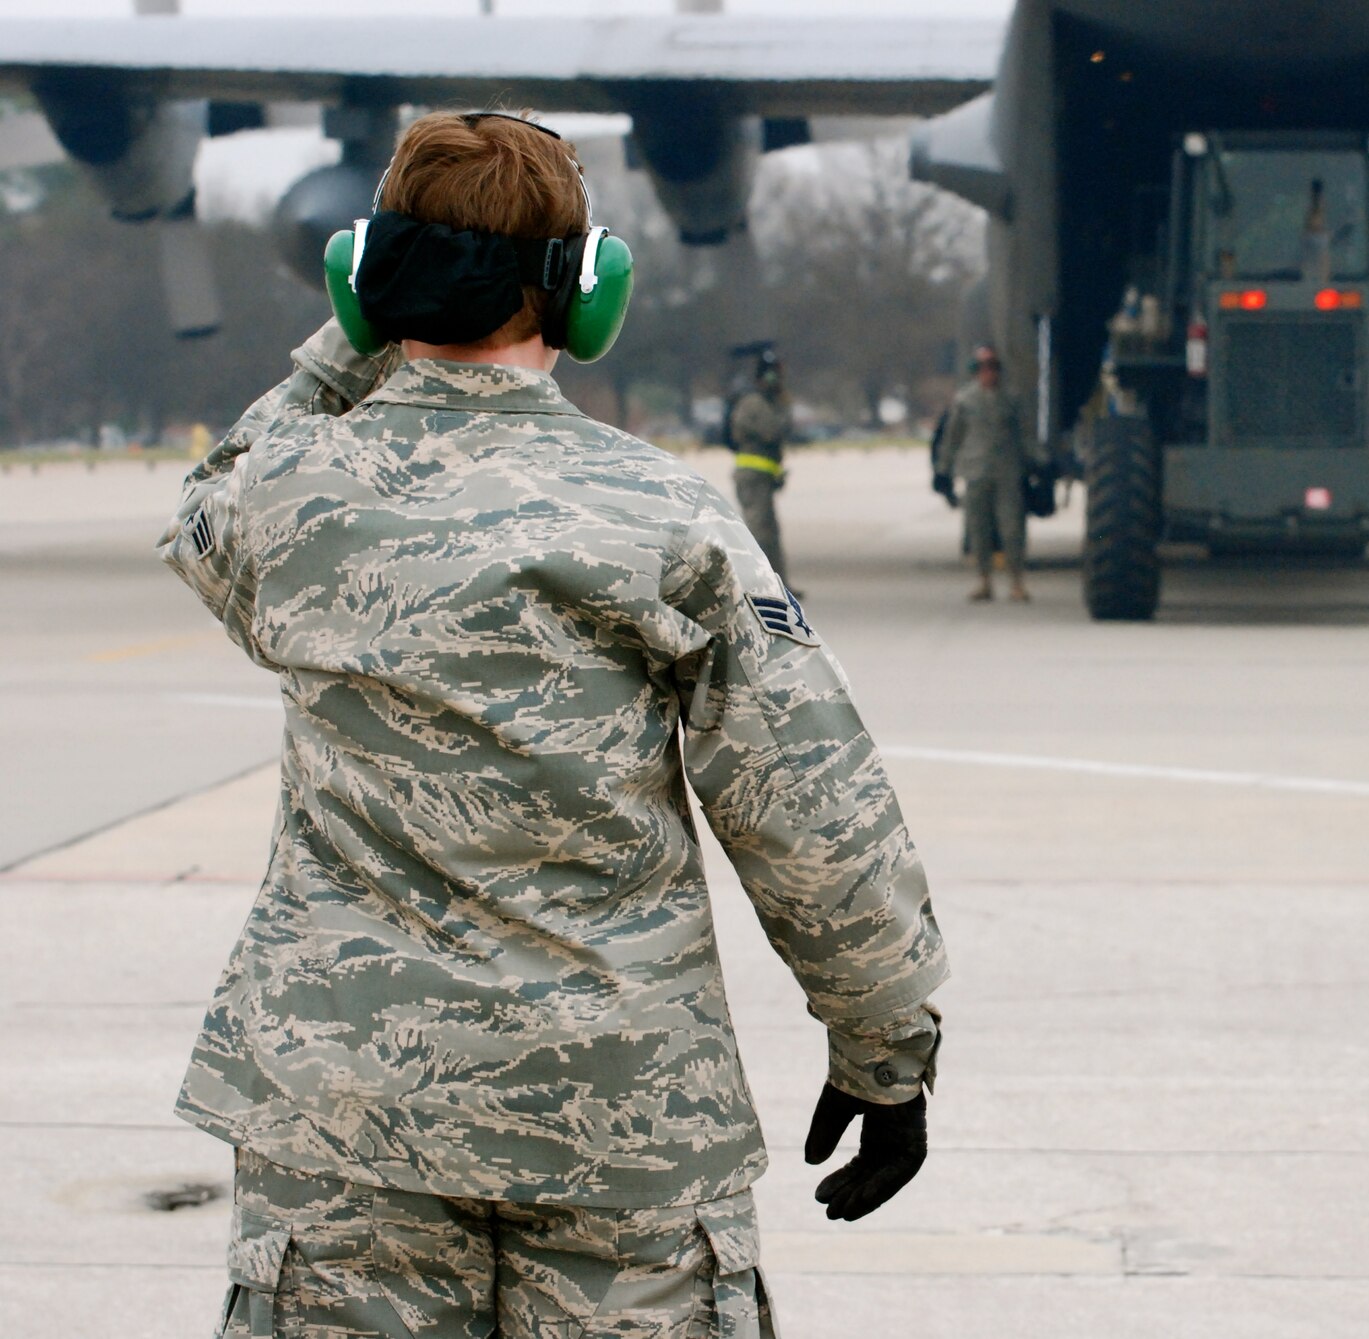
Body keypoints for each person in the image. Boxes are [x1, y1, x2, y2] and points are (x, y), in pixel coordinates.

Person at [157, 111, 946, 1339]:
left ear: (369, 276)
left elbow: (203, 508)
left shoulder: (289, 495)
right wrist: (883, 1050)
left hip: (348, 1114)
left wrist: (346, 340)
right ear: (587, 292)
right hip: (617, 1116)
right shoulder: (663, 517)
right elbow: (810, 805)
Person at [938, 345, 1039, 602]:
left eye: (992, 367)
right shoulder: (965, 401)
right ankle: (984, 580)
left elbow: (1026, 436)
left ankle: (1016, 581)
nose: (988, 373)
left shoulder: (1011, 399)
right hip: (976, 472)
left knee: (1012, 529)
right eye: (982, 367)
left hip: (1007, 473)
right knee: (978, 530)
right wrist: (943, 471)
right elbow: (953, 437)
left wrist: (1039, 462)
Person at [729, 346, 795, 587]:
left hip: (763, 477)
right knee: (758, 534)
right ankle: (756, 584)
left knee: (771, 534)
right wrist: (784, 407)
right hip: (752, 477)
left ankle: (778, 585)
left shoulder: (766, 402)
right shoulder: (754, 403)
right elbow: (773, 431)